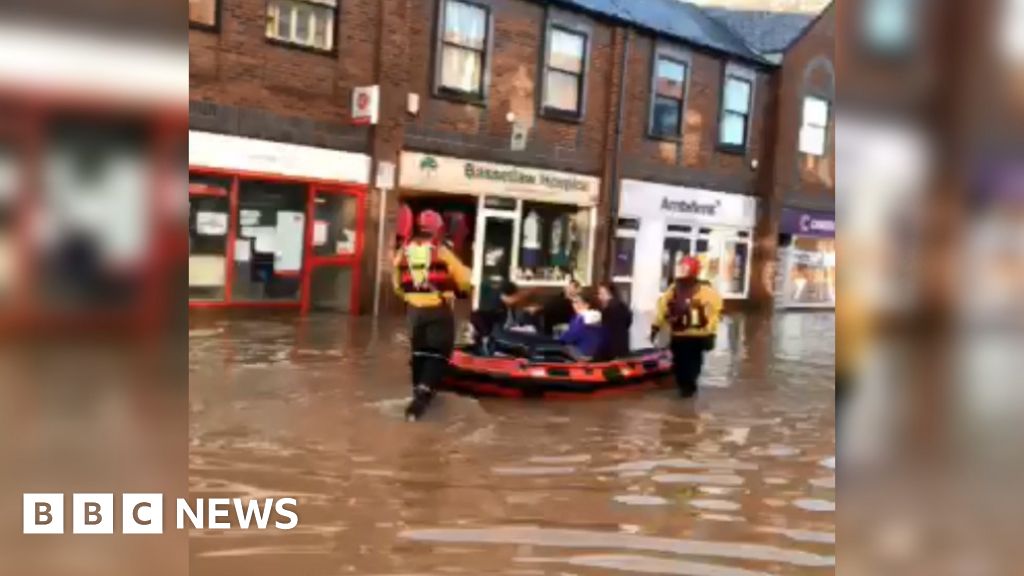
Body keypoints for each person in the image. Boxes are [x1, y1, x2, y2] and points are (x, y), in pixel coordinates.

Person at [393, 210, 473, 421]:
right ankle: (420, 402)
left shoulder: (403, 253)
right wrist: (460, 290)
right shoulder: (442, 252)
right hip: (438, 311)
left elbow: (397, 286)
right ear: (437, 230)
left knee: (419, 356)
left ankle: (418, 397)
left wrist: (413, 297)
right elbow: (465, 278)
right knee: (437, 356)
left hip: (413, 313)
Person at [651, 256, 723, 398]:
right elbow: (662, 308)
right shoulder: (674, 289)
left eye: (684, 268)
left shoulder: (705, 291)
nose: (681, 271)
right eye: (680, 267)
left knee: (691, 365)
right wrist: (655, 326)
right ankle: (686, 389)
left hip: (696, 335)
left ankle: (688, 390)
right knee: (682, 364)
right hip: (681, 335)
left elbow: (714, 313)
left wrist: (712, 333)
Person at [558, 288, 604, 359]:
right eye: (573, 302)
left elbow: (572, 336)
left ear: (586, 304)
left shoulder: (580, 318)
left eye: (577, 302)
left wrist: (560, 338)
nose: (574, 305)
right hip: (597, 354)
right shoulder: (598, 316)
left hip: (581, 353)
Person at [597, 282, 632, 360]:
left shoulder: (608, 310)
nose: (599, 297)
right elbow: (628, 323)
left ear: (608, 293)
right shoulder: (624, 307)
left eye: (600, 294)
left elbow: (605, 334)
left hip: (610, 352)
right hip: (623, 349)